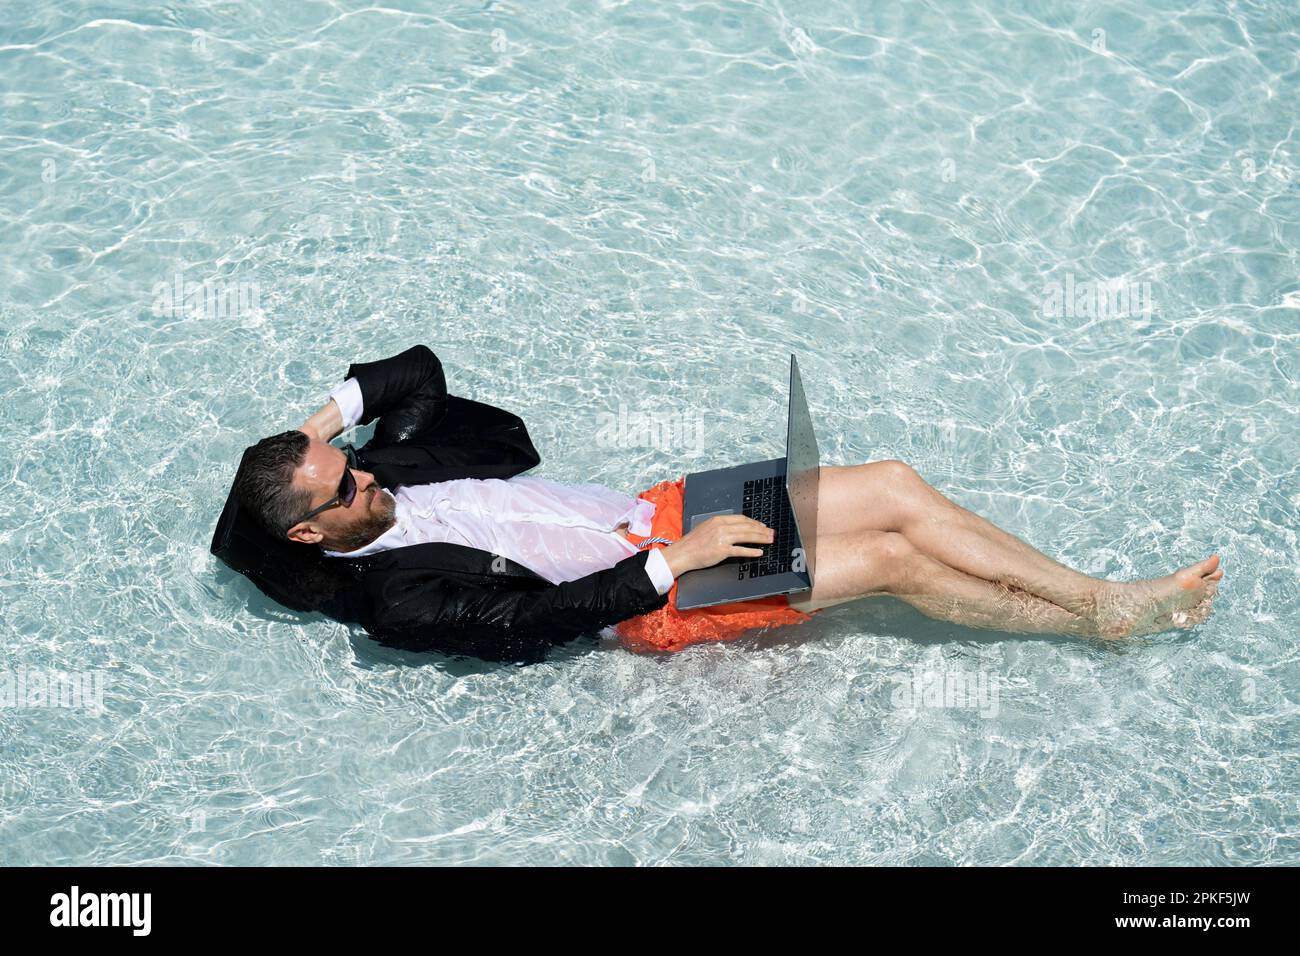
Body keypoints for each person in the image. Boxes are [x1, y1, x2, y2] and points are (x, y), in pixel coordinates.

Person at [213, 345, 1221, 663]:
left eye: (349, 458)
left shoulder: (380, 473)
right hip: (650, 591)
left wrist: (322, 424)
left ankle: (1098, 594)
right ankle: (1103, 616)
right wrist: (670, 562)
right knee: (895, 564)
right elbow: (523, 626)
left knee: (896, 486)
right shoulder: (390, 599)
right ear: (308, 533)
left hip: (659, 505)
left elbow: (415, 372)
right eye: (344, 485)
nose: (368, 474)